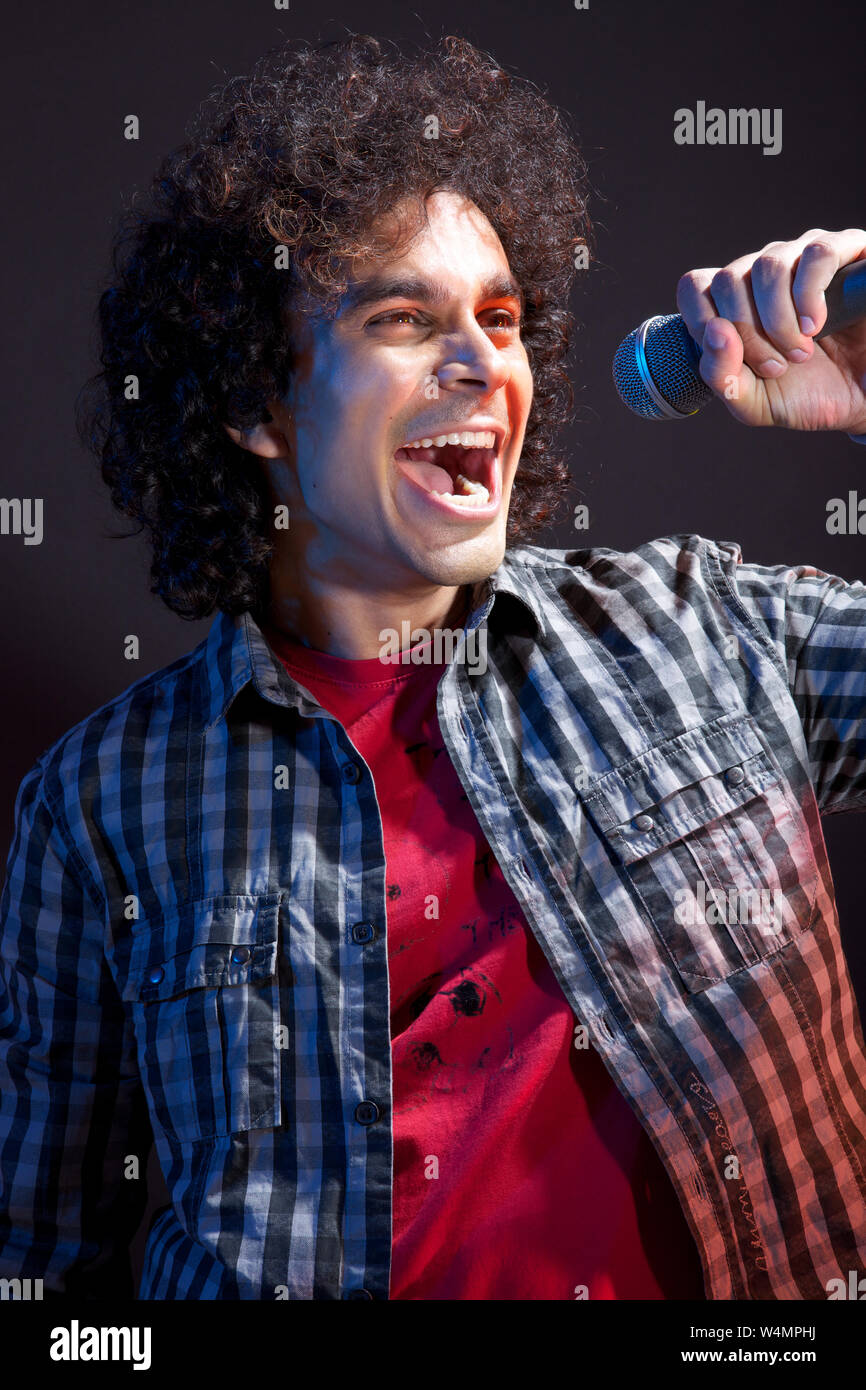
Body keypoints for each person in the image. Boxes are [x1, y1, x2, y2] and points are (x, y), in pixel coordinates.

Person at [1, 32, 865, 1303]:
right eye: (404, 318)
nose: (482, 362)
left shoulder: (708, 626)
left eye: (501, 319)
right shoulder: (101, 804)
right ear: (257, 405)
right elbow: (39, 1264)